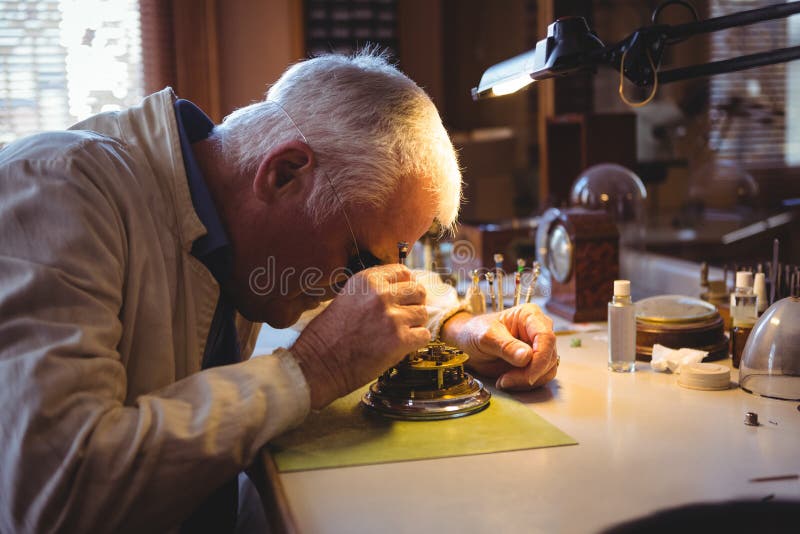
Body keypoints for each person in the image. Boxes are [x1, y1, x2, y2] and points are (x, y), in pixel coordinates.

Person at [0, 49, 558, 533]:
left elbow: (379, 281)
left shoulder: (239, 233)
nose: (361, 282)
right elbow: (54, 497)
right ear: (285, 173)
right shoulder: (59, 189)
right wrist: (310, 370)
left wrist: (458, 328)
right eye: (359, 259)